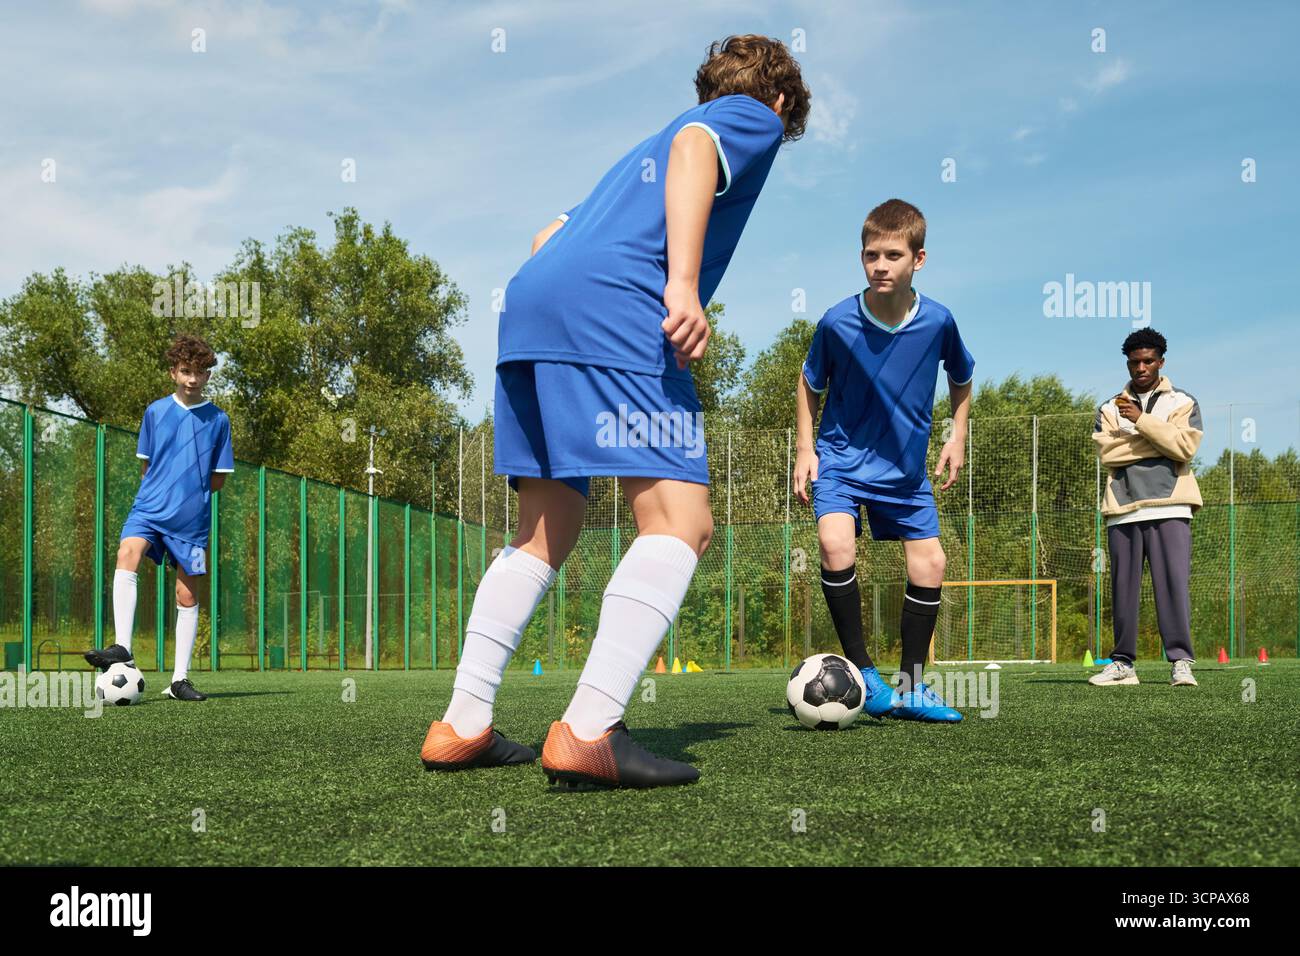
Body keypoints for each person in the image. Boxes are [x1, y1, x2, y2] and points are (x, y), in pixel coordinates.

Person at [420, 35, 810, 788]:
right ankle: (590, 727)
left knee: (544, 528)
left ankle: (461, 723)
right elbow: (702, 144)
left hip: (532, 307)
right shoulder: (745, 115)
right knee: (680, 522)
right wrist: (684, 285)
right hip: (614, 317)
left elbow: (547, 235)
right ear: (782, 101)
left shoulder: (635, 157)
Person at [793, 199, 974, 723]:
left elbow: (961, 378)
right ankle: (864, 672)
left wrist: (956, 434)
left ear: (918, 259)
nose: (880, 265)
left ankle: (913, 687)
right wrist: (806, 449)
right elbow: (808, 384)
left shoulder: (939, 321)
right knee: (834, 543)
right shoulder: (837, 322)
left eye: (893, 255)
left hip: (905, 472)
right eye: (871, 255)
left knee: (932, 563)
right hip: (842, 460)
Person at [84, 334, 234, 701]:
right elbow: (147, 467)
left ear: (208, 377)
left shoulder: (218, 420)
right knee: (127, 554)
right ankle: (122, 647)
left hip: (191, 522)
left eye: (200, 372)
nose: (192, 379)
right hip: (148, 509)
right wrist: (161, 494)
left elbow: (219, 478)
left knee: (187, 594)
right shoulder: (154, 412)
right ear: (173, 373)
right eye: (186, 371)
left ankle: (179, 680)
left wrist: (190, 496)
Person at [1090, 328, 1203, 687]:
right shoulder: (1109, 407)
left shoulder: (1182, 402)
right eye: (1135, 361)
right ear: (1127, 362)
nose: (1141, 367)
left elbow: (1185, 448)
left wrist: (1139, 421)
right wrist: (1159, 440)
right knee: (1122, 590)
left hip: (1171, 506)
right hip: (1122, 507)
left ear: (1161, 362)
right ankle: (1123, 664)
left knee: (1173, 587)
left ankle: (1181, 662)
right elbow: (1109, 454)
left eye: (1148, 361)